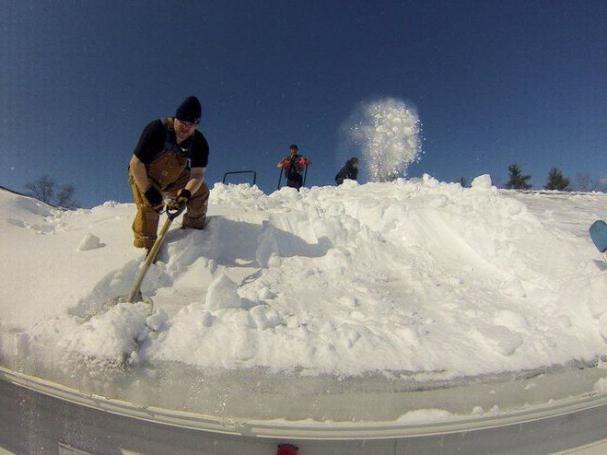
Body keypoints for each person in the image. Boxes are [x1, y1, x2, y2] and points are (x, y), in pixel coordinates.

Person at [128, 96, 210, 251]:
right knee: (149, 206)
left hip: (175, 178)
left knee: (201, 191)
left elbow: (197, 174)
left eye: (191, 124)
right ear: (176, 118)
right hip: (145, 174)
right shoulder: (157, 129)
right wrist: (149, 191)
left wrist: (186, 193)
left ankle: (192, 236)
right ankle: (144, 250)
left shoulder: (199, 142)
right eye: (183, 122)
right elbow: (136, 164)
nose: (186, 128)